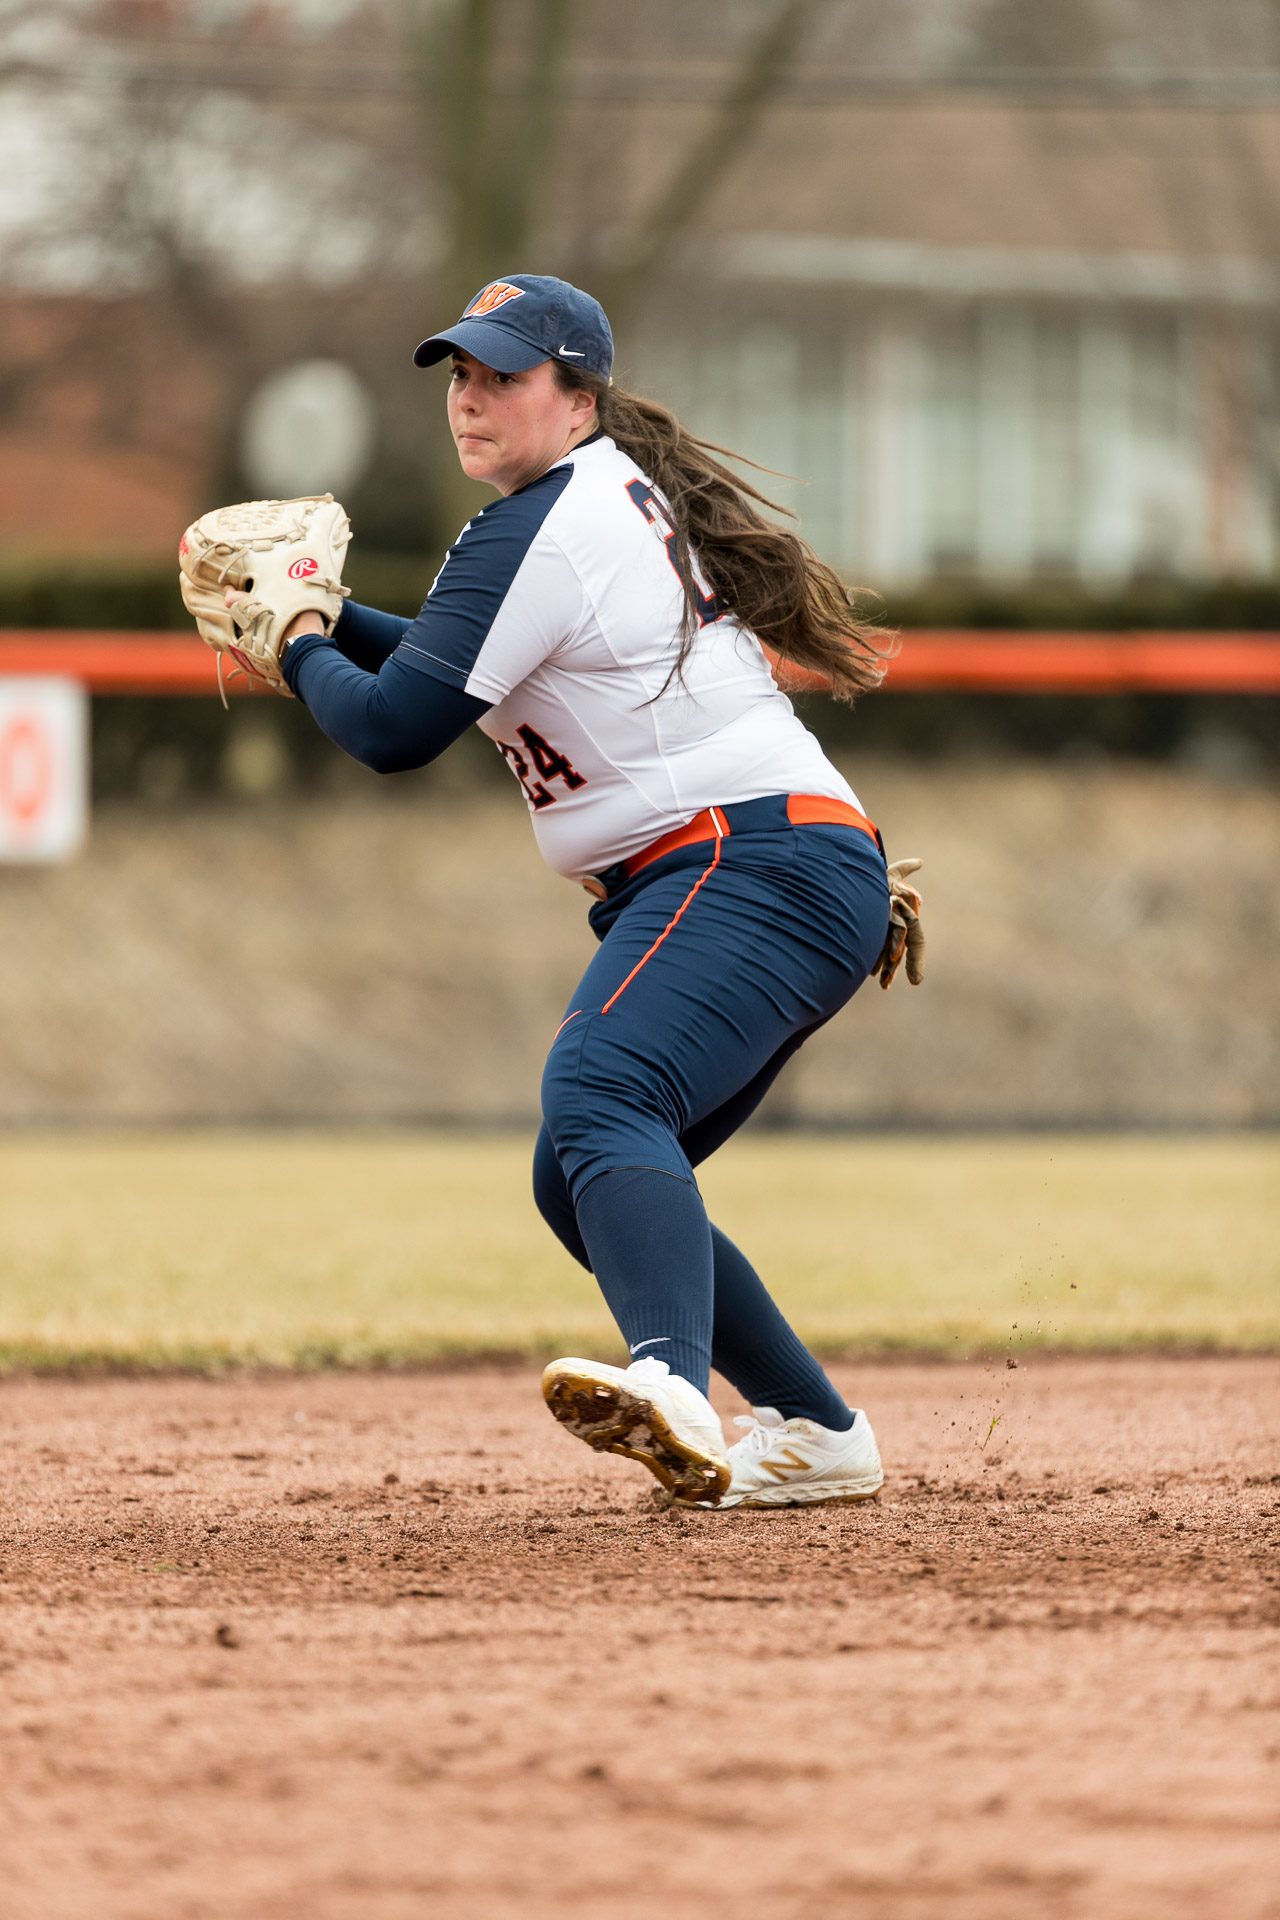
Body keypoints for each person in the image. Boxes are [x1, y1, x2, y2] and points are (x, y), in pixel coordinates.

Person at [233, 274, 923, 1510]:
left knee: (603, 1089)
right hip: (780, 858)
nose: (471, 399)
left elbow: (395, 730)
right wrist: (328, 617)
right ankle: (816, 1432)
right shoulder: (586, 504)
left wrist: (295, 645)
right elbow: (454, 664)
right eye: (459, 374)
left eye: (503, 374)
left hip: (741, 859)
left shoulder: (544, 522)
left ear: (578, 393)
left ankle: (667, 1377)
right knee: (582, 1171)